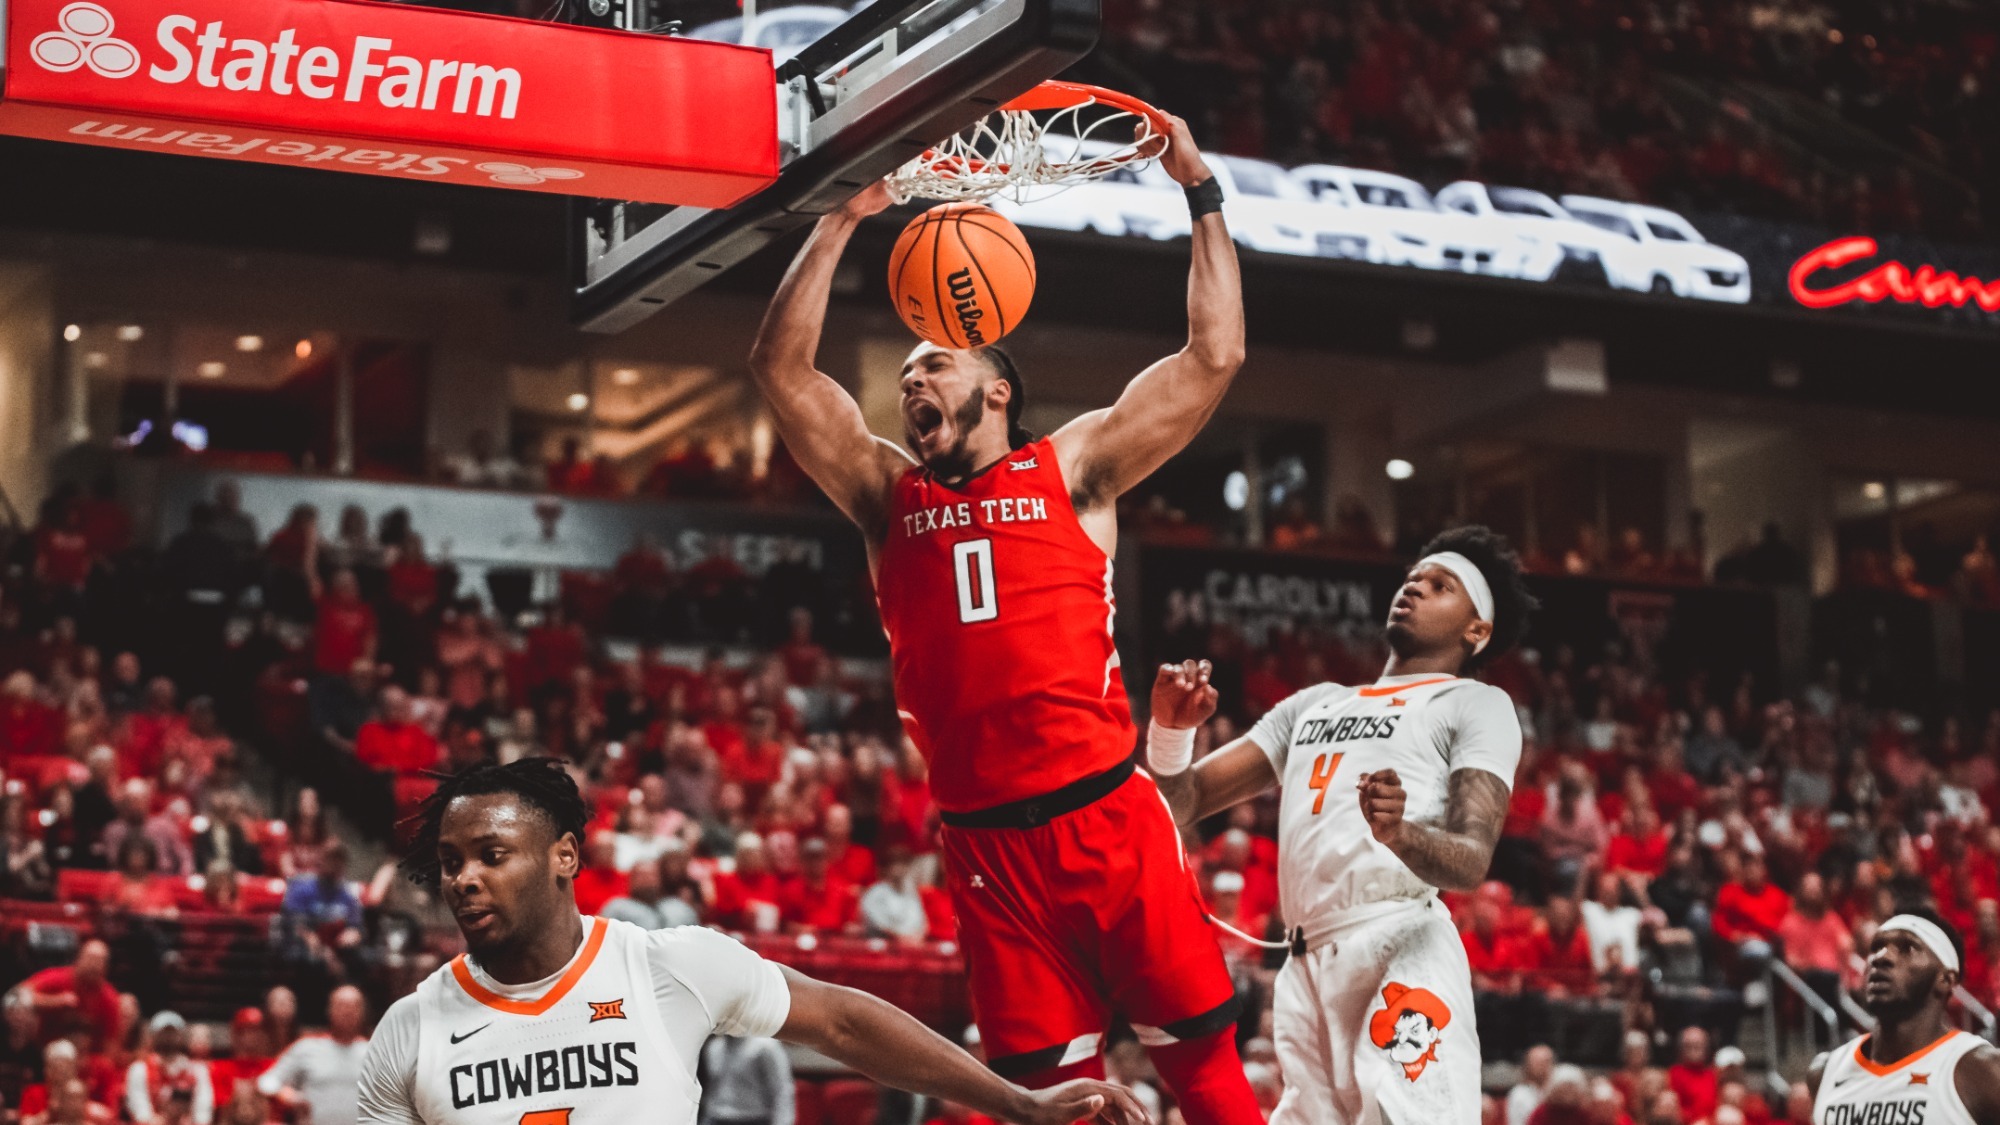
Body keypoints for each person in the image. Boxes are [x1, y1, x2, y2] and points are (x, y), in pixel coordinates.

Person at [745, 112, 1257, 1122]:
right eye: (902, 377)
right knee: (1046, 1105)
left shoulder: (1074, 468)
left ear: (997, 386)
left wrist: (1199, 191)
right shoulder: (885, 497)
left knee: (1208, 1083)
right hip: (987, 852)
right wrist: (843, 218)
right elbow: (780, 373)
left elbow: (1213, 358)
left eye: (932, 365)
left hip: (1110, 820)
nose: (909, 382)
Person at [355, 758, 1143, 1125]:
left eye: (491, 856)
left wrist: (1018, 1103)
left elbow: (842, 1021)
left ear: (564, 854)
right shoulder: (410, 1030)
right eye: (452, 862)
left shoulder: (668, 965)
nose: (463, 880)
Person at [1153, 525, 1536, 1125]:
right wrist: (1172, 733)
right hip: (1304, 961)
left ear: (1476, 630)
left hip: (1398, 942)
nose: (1415, 587)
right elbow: (1181, 801)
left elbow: (1471, 859)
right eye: (1414, 577)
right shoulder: (1315, 703)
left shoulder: (1473, 704)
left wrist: (1402, 834)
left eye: (1441, 586)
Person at [1808, 910, 2000, 1124]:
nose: (1881, 957)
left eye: (1907, 948)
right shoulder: (1825, 1072)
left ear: (1945, 979)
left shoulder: (1981, 1071)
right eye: (1876, 947)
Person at [257, 986, 369, 1125]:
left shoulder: (375, 1053)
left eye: (354, 1006)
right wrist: (288, 1095)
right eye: (342, 1005)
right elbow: (267, 1081)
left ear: (362, 1012)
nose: (347, 1011)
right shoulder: (307, 1047)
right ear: (330, 1010)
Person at [127, 1012, 215, 1125]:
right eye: (163, 1033)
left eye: (173, 1033)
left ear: (181, 1036)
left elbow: (203, 1109)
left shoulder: (197, 1071)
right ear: (154, 1036)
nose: (168, 1038)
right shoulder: (139, 1069)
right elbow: (139, 1109)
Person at [696, 1035, 793, 1125]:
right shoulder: (715, 1047)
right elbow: (712, 1090)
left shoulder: (766, 1046)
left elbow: (781, 1090)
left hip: (752, 1118)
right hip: (716, 1117)